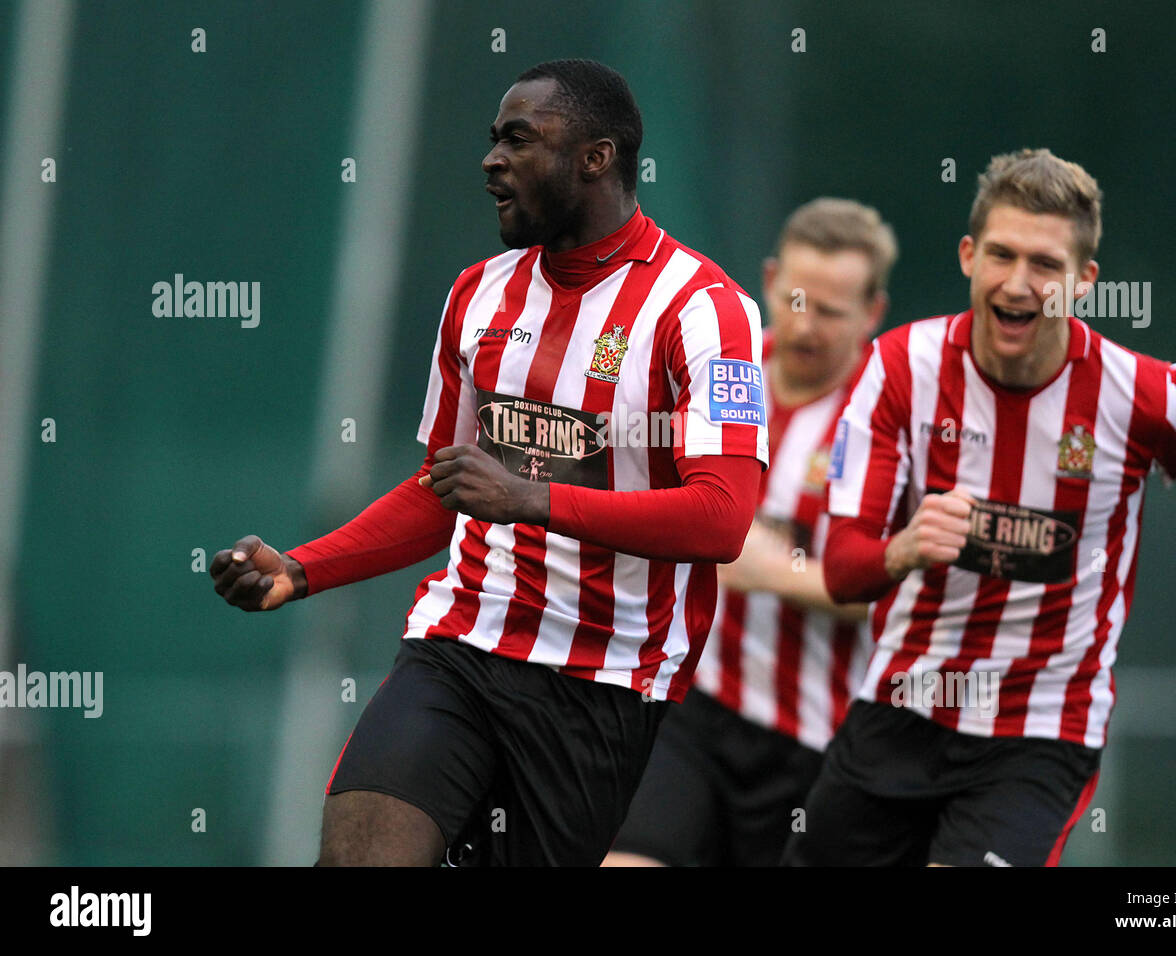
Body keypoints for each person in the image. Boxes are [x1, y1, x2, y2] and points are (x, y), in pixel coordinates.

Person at [209, 59, 769, 866]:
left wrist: (534, 499)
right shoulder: (478, 293)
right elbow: (447, 491)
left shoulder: (706, 311)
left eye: (519, 139)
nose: (491, 159)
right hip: (461, 646)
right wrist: (302, 570)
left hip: (603, 684)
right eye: (491, 139)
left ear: (596, 157)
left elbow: (722, 517)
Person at [784, 148, 1176, 867]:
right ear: (968, 256)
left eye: (1045, 264)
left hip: (1041, 731)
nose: (1018, 283)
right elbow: (842, 571)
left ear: (1084, 282)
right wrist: (902, 549)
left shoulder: (1143, 395)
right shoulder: (899, 368)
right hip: (900, 708)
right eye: (1000, 254)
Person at [604, 199, 894, 866]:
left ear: (872, 314)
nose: (805, 324)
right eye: (796, 300)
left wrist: (774, 570)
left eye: (830, 311)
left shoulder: (887, 415)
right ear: (768, 280)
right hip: (691, 709)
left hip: (816, 743)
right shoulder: (719, 376)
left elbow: (895, 590)